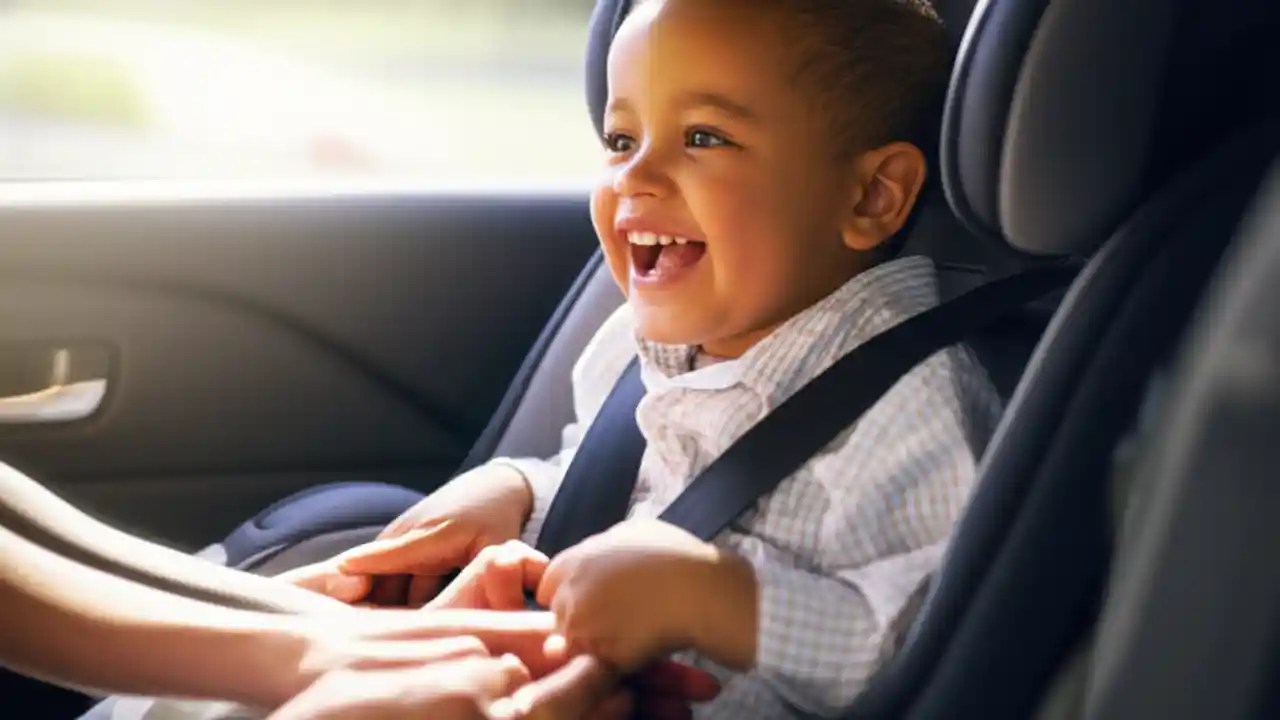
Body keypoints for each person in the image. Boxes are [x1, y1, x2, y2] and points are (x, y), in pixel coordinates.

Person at [301, 0, 1001, 718]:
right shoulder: (645, 341)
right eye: (621, 137)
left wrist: (714, 599)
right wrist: (518, 491)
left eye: (703, 137)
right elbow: (620, 486)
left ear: (870, 195)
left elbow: (928, 641)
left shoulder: (913, 404)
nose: (636, 176)